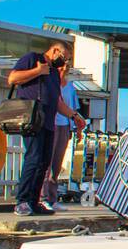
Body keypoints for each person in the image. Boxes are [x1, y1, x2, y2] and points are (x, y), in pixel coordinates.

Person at [8, 42, 86, 216]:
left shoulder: (53, 74)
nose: (64, 61)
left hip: (49, 122)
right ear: (55, 51)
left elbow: (58, 102)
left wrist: (74, 116)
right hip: (32, 119)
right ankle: (22, 200)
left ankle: (34, 201)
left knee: (44, 163)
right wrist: (37, 71)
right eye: (64, 57)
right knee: (33, 158)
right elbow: (12, 78)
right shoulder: (32, 59)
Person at [40, 64, 81, 211]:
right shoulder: (51, 83)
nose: (63, 71)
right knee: (47, 162)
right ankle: (43, 197)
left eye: (65, 68)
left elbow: (73, 108)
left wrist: (76, 128)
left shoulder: (70, 87)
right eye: (60, 68)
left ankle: (52, 197)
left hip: (65, 125)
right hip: (52, 124)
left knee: (57, 164)